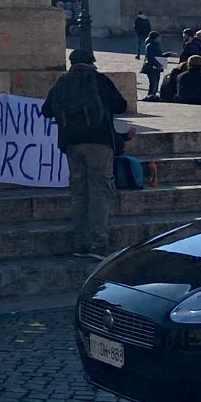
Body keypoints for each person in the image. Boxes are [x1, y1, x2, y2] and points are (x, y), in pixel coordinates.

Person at [41, 49, 128, 256]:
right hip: (99, 142)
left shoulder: (62, 83)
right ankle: (98, 243)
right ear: (91, 63)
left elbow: (46, 110)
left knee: (79, 193)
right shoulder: (98, 80)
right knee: (99, 191)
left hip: (72, 144)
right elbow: (121, 105)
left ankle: (80, 243)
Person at [140, 31, 165, 103]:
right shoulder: (150, 46)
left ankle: (152, 96)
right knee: (153, 83)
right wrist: (158, 65)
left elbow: (158, 55)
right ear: (155, 38)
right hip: (151, 67)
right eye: (158, 37)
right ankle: (150, 97)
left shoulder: (157, 45)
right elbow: (150, 58)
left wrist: (167, 54)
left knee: (156, 83)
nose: (160, 39)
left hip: (157, 67)